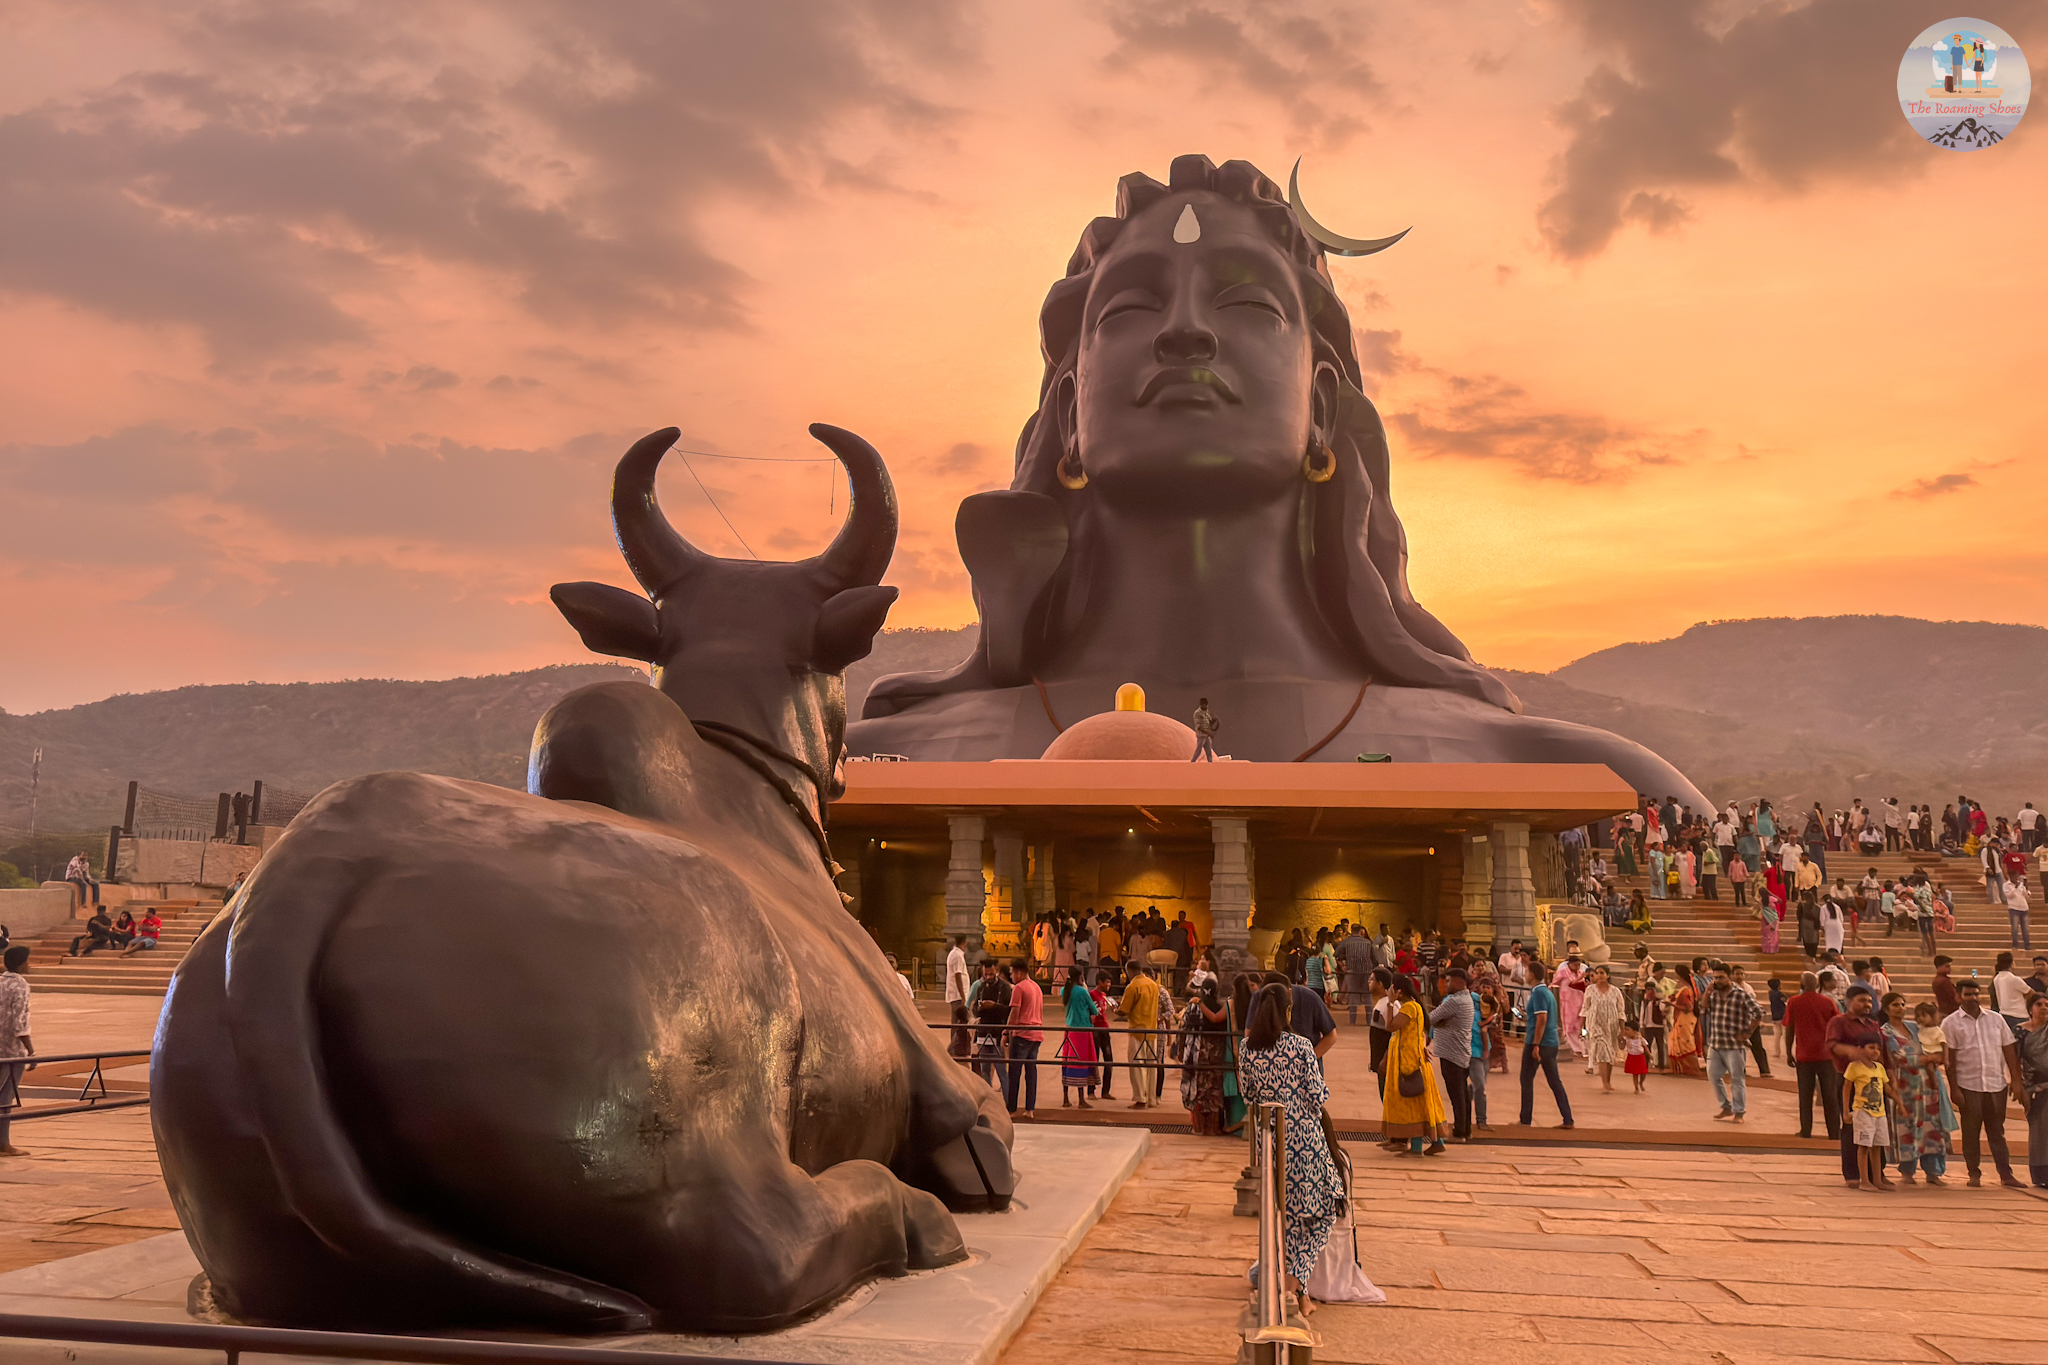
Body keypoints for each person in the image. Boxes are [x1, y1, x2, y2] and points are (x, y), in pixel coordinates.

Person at [1236, 983, 1343, 1318]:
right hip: (1304, 1140)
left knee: (1281, 1215)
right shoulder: (1300, 1046)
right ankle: (1295, 1281)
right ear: (1288, 1009)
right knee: (1322, 1210)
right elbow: (1316, 1095)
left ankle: (1296, 1288)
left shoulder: (1247, 1048)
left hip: (1267, 1138)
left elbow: (1249, 1097)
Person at [1943, 979, 2025, 1188]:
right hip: (1968, 1085)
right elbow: (1949, 1059)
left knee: (1997, 1130)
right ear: (1958, 996)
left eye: (1976, 994)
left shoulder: (1996, 1019)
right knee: (1971, 1131)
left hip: (1995, 1084)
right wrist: (1954, 1087)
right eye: (1968, 994)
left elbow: (2009, 1050)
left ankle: (2006, 1174)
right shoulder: (1950, 1023)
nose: (1973, 998)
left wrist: (2016, 1080)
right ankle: (1973, 1173)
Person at [1881, 993, 1955, 1185]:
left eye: (1902, 1004)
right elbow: (1898, 1058)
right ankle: (1907, 1172)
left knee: (1932, 1129)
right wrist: (1927, 1058)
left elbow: (1936, 1049)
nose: (1900, 1008)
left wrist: (1931, 1058)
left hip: (1928, 1088)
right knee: (1907, 1129)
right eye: (1895, 1005)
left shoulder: (1915, 1027)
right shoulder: (1886, 1032)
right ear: (1886, 1009)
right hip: (1905, 1090)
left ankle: (1933, 1172)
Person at [1382, 976, 1448, 1155]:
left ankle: (1416, 1147)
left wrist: (1390, 1003)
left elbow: (1390, 1026)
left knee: (1412, 1104)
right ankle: (1437, 1141)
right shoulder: (1415, 1006)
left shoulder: (1409, 1007)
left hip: (1409, 1062)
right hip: (1416, 1059)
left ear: (1399, 991)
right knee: (1423, 1101)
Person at [1699, 964, 1761, 1123]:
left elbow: (1759, 1013)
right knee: (1713, 1076)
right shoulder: (1713, 994)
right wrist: (1707, 991)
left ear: (1729, 977)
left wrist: (1748, 1032)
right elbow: (1703, 1006)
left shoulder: (1741, 995)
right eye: (1715, 977)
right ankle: (1725, 1106)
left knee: (1737, 1079)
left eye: (1721, 977)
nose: (1717, 980)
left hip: (1734, 1045)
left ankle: (1739, 1112)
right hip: (1716, 1043)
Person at [1784, 972, 1842, 1140]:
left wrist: (1788, 1052)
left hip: (1804, 1055)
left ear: (1802, 984)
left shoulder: (1794, 1002)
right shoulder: (1827, 1002)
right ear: (1817, 984)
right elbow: (1836, 1026)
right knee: (1830, 1095)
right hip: (1826, 1055)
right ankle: (1834, 1132)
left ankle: (1806, 1130)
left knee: (1805, 1095)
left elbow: (1790, 1028)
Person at [1517, 971, 1574, 1128]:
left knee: (1526, 1079)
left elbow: (1542, 1019)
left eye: (1528, 972)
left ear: (1533, 975)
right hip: (1550, 1042)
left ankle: (1525, 1119)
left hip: (1539, 1043)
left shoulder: (1539, 993)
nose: (1526, 975)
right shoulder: (1546, 992)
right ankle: (1567, 1118)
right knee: (1554, 1081)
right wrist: (1525, 1016)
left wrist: (1536, 1044)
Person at [1428, 969, 1475, 1141]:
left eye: (1448, 981)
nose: (1446, 985)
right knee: (1462, 1093)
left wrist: (1440, 1022)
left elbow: (1431, 1018)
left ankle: (1459, 1132)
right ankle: (1465, 1129)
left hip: (1452, 1054)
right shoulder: (1466, 999)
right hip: (1460, 1053)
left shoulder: (1455, 1001)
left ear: (1459, 981)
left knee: (1457, 1095)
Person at [1182, 977, 1230, 1134]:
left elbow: (1184, 1029)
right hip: (1217, 1056)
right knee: (1215, 1091)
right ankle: (1214, 1128)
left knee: (1198, 1090)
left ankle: (1199, 1127)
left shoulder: (1193, 1008)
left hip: (1198, 1056)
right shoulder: (1220, 1007)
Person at [1844, 1040, 1893, 1193]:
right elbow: (1846, 1089)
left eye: (1878, 1049)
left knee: (1877, 1147)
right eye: (1871, 1048)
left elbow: (1887, 1089)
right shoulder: (1854, 1067)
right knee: (1864, 1146)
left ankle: (1877, 1180)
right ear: (1861, 1048)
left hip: (1880, 1113)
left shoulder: (1880, 1068)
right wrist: (1846, 1111)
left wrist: (1900, 1103)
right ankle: (1864, 1180)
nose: (1875, 1052)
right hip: (1863, 1112)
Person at [0, 946, 31, 1158]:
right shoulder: (20, 985)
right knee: (5, 1099)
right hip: (12, 1051)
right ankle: (4, 1144)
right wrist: (31, 1049)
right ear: (21, 963)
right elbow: (20, 1022)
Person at [1119, 964, 1164, 1109]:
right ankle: (1151, 1098)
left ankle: (1140, 1098)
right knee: (1151, 1065)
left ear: (1130, 971)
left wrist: (1115, 1009)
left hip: (1137, 1029)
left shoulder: (1133, 986)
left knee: (1136, 1064)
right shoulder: (1153, 985)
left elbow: (1124, 1009)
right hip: (1152, 1029)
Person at [1057, 974, 1102, 1110]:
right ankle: (1081, 1099)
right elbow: (1093, 1009)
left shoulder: (1065, 990)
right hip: (1082, 1029)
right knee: (1082, 1062)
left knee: (1068, 1060)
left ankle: (1066, 1097)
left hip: (1069, 1028)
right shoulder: (1082, 991)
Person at [2018, 991, 2048, 1189]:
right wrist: (2019, 1087)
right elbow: (2014, 1060)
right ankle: (2041, 1173)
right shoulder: (2020, 1032)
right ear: (2030, 1009)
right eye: (2039, 1004)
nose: (2044, 1007)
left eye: (2047, 1004)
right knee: (2039, 1131)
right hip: (2034, 1087)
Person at [1581, 964, 1625, 1093]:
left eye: (1602, 973)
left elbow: (1620, 1010)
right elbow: (1586, 1008)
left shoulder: (1615, 991)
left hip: (1611, 1026)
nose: (1599, 976)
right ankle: (1604, 1083)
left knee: (1610, 1054)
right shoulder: (1590, 990)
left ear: (1608, 975)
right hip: (1595, 1025)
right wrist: (1582, 1026)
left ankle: (1608, 1081)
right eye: (1597, 973)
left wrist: (1622, 1029)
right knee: (1602, 1052)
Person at [969, 962, 1011, 1087]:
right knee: (984, 1070)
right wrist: (980, 1008)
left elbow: (1009, 1011)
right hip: (983, 1032)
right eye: (985, 974)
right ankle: (988, 1099)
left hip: (997, 1032)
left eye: (991, 974)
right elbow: (975, 1009)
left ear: (996, 971)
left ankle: (1008, 1104)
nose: (988, 977)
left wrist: (994, 1006)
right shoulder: (981, 987)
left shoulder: (1004, 988)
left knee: (1001, 1070)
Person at [1551, 945, 1590, 1070]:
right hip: (1566, 1001)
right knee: (1568, 1025)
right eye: (1575, 965)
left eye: (1578, 965)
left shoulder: (1580, 972)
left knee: (1578, 1025)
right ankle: (1573, 1048)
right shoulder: (1563, 972)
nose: (1577, 968)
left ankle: (1580, 1048)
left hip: (1579, 1001)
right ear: (1569, 964)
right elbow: (1554, 983)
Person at [1337, 924, 1374, 1024]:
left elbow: (1336, 953)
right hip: (1366, 971)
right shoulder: (1368, 942)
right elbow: (1374, 958)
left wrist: (1346, 957)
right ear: (1361, 931)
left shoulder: (1347, 942)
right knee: (1367, 995)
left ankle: (1353, 1020)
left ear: (1352, 930)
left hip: (1352, 971)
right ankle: (1369, 1021)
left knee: (1353, 995)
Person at [2005, 872, 2033, 951]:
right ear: (2010, 876)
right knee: (2015, 928)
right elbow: (2009, 896)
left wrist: (2025, 889)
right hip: (2014, 908)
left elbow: (2026, 896)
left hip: (2024, 908)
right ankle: (2015, 945)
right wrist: (2015, 888)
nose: (2015, 878)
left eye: (2016, 876)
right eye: (2014, 876)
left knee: (2025, 929)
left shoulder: (2021, 885)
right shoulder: (2006, 885)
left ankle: (2027, 946)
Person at [1620, 1021, 1649, 1093]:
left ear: (1634, 1031)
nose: (1626, 1031)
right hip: (1632, 1056)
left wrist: (1649, 1054)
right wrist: (1620, 1039)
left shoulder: (1640, 1038)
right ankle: (1636, 1087)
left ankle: (1641, 1083)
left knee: (1643, 1072)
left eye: (1627, 1029)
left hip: (1640, 1057)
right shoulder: (1626, 1039)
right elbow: (1621, 1047)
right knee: (1635, 1073)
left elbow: (1645, 1047)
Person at [1189, 697, 1220, 762]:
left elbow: (1209, 722)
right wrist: (1208, 733)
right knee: (1198, 750)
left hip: (1206, 735)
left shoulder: (1206, 712)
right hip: (1201, 735)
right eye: (1204, 705)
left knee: (1209, 751)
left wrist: (1215, 721)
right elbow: (1199, 727)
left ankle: (1210, 765)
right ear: (1201, 705)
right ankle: (1192, 762)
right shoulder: (1197, 713)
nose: (1205, 706)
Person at [944, 936, 969, 1009]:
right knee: (959, 1017)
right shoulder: (958, 956)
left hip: (956, 994)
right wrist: (962, 996)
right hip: (957, 995)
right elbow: (958, 975)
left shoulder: (954, 954)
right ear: (964, 943)